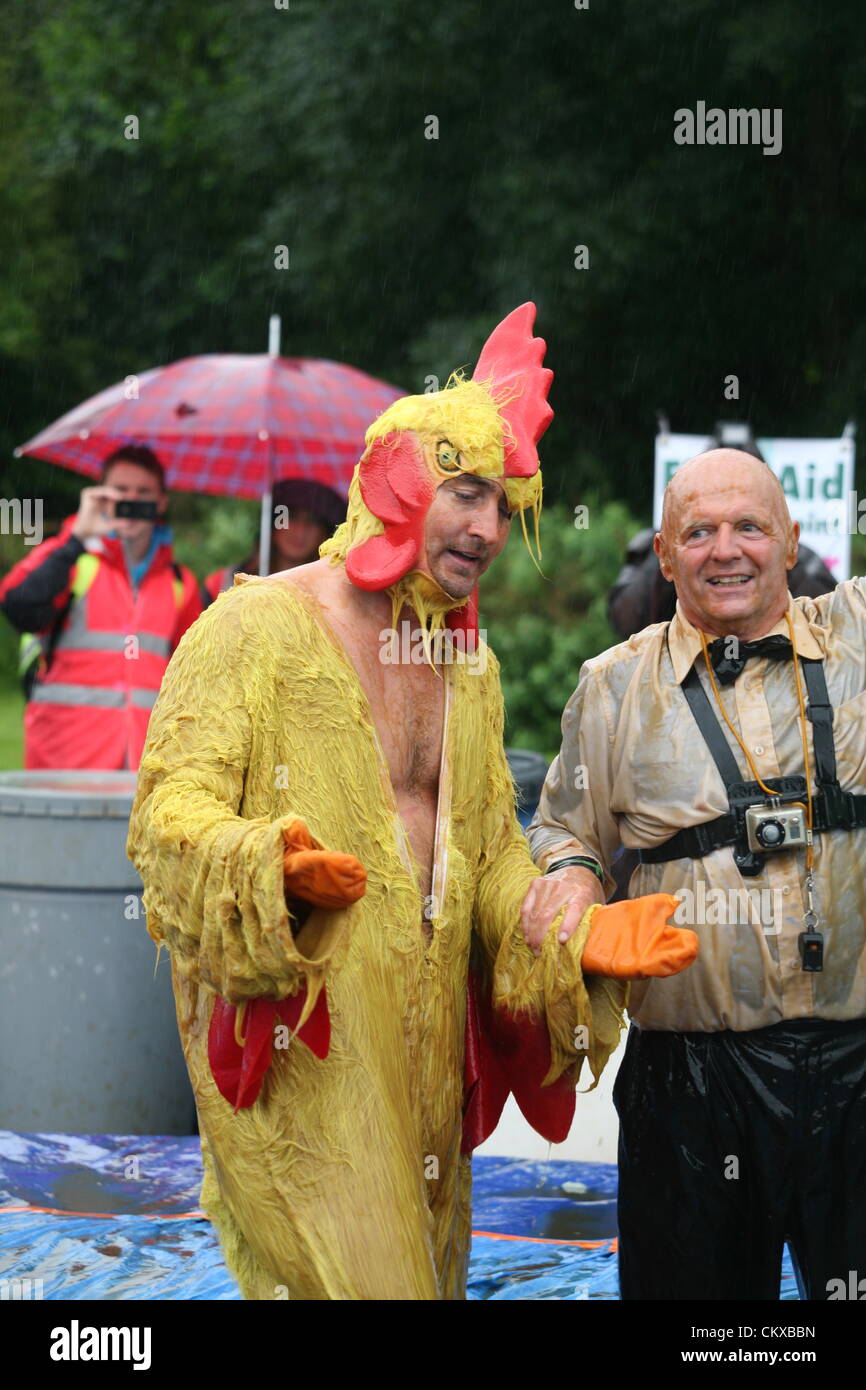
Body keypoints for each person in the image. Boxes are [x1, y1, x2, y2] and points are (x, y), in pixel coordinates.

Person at [126, 304, 695, 1301]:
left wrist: (570, 934)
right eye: (465, 492)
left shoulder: (464, 663)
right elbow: (168, 815)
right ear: (395, 482)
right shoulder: (255, 625)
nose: (484, 528)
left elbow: (485, 858)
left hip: (427, 1070)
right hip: (308, 1051)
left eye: (503, 501)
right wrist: (268, 864)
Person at [524, 447, 866, 1301]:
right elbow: (563, 834)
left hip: (858, 1067)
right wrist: (573, 891)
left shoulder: (859, 638)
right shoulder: (611, 688)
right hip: (690, 1083)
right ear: (664, 555)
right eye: (699, 532)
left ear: (791, 541)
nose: (726, 550)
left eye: (750, 526)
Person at [0, 445, 201, 770]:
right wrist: (78, 537)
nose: (132, 501)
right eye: (120, 490)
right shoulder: (70, 556)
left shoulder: (180, 583)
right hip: (64, 762)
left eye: (143, 492)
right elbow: (19, 607)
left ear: (161, 502)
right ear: (99, 495)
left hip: (146, 768)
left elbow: (195, 678)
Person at [202, 478, 346, 602]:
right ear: (271, 526)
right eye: (290, 517)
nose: (300, 530)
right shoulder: (222, 584)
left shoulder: (335, 593)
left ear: (324, 534)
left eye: (313, 521)